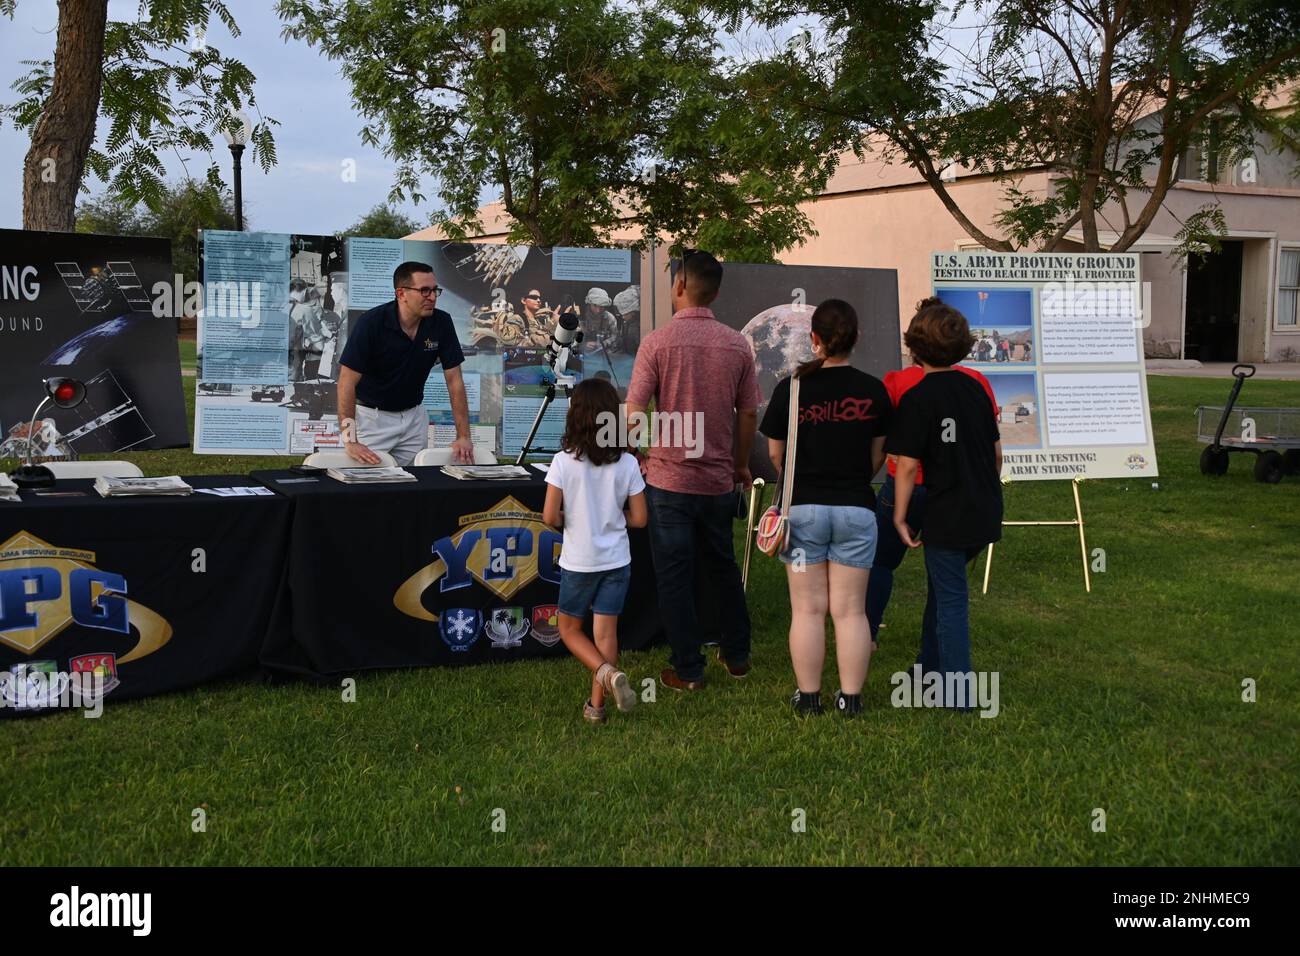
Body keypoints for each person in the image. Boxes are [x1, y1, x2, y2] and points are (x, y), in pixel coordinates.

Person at [626, 249, 760, 690]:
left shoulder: (657, 342)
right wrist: (740, 464)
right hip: (718, 480)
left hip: (668, 482)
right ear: (716, 292)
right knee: (722, 568)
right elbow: (747, 414)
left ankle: (688, 670)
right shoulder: (738, 344)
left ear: (679, 285)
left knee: (675, 577)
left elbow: (633, 411)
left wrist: (641, 455)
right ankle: (737, 655)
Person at [759, 300, 890, 717]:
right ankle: (851, 699)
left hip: (803, 515)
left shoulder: (791, 387)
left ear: (813, 339)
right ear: (857, 338)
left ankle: (809, 697)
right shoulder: (873, 390)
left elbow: (777, 456)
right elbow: (877, 457)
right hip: (856, 510)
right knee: (851, 611)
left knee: (807, 609)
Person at [887, 297, 1004, 709]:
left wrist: (900, 516)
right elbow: (995, 452)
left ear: (914, 347)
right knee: (944, 590)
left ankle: (957, 695)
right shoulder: (974, 388)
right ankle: (928, 668)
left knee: (951, 600)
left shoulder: (918, 398)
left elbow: (904, 466)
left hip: (947, 514)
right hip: (985, 506)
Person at [866, 332, 998, 649]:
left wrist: (866, 479)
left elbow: (882, 441)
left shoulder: (897, 380)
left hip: (905, 487)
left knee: (880, 560)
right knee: (944, 582)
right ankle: (933, 658)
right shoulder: (975, 380)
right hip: (954, 491)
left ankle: (866, 631)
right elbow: (992, 446)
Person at [542, 378, 648, 723]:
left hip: (580, 562)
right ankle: (597, 706)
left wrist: (569, 516)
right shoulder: (628, 463)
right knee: (606, 633)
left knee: (569, 629)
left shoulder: (562, 461)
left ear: (575, 417)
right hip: (617, 560)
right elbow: (641, 519)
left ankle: (605, 673)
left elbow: (548, 517)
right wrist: (612, 516)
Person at [337, 261, 474, 466]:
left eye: (435, 290)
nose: (433, 297)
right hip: (372, 421)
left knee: (413, 486)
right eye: (425, 291)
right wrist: (350, 440)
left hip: (414, 419)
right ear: (401, 293)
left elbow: (455, 381)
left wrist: (464, 436)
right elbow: (346, 382)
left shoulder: (441, 322)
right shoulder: (371, 323)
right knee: (365, 489)